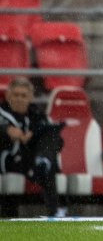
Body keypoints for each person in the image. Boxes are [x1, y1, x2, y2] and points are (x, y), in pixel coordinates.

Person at [0, 78, 64, 218]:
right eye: (15, 95)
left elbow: (59, 143)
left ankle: (42, 161)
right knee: (46, 165)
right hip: (10, 160)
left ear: (30, 98)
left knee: (51, 134)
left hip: (31, 159)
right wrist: (5, 131)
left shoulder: (37, 115)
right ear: (8, 96)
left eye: (23, 95)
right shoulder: (2, 114)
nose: (19, 99)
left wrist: (34, 134)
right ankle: (56, 210)